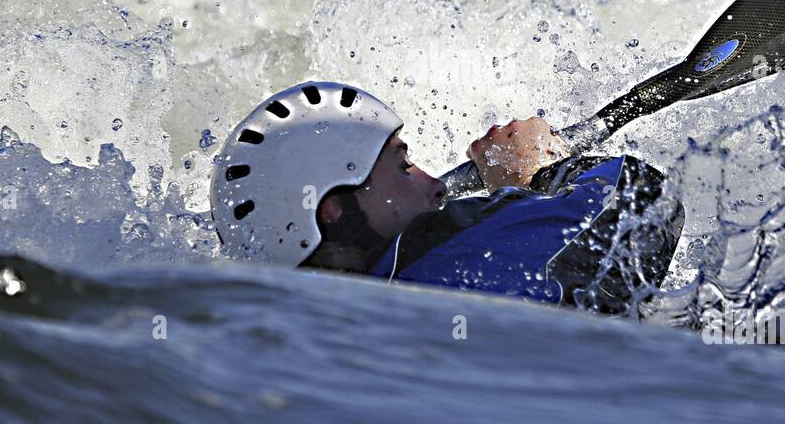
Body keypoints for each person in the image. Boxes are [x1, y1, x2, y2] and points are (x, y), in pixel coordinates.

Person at [210, 81, 683, 314]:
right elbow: (640, 200)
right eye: (401, 164)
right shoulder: (444, 264)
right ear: (333, 207)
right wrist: (534, 175)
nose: (434, 183)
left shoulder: (330, 325)